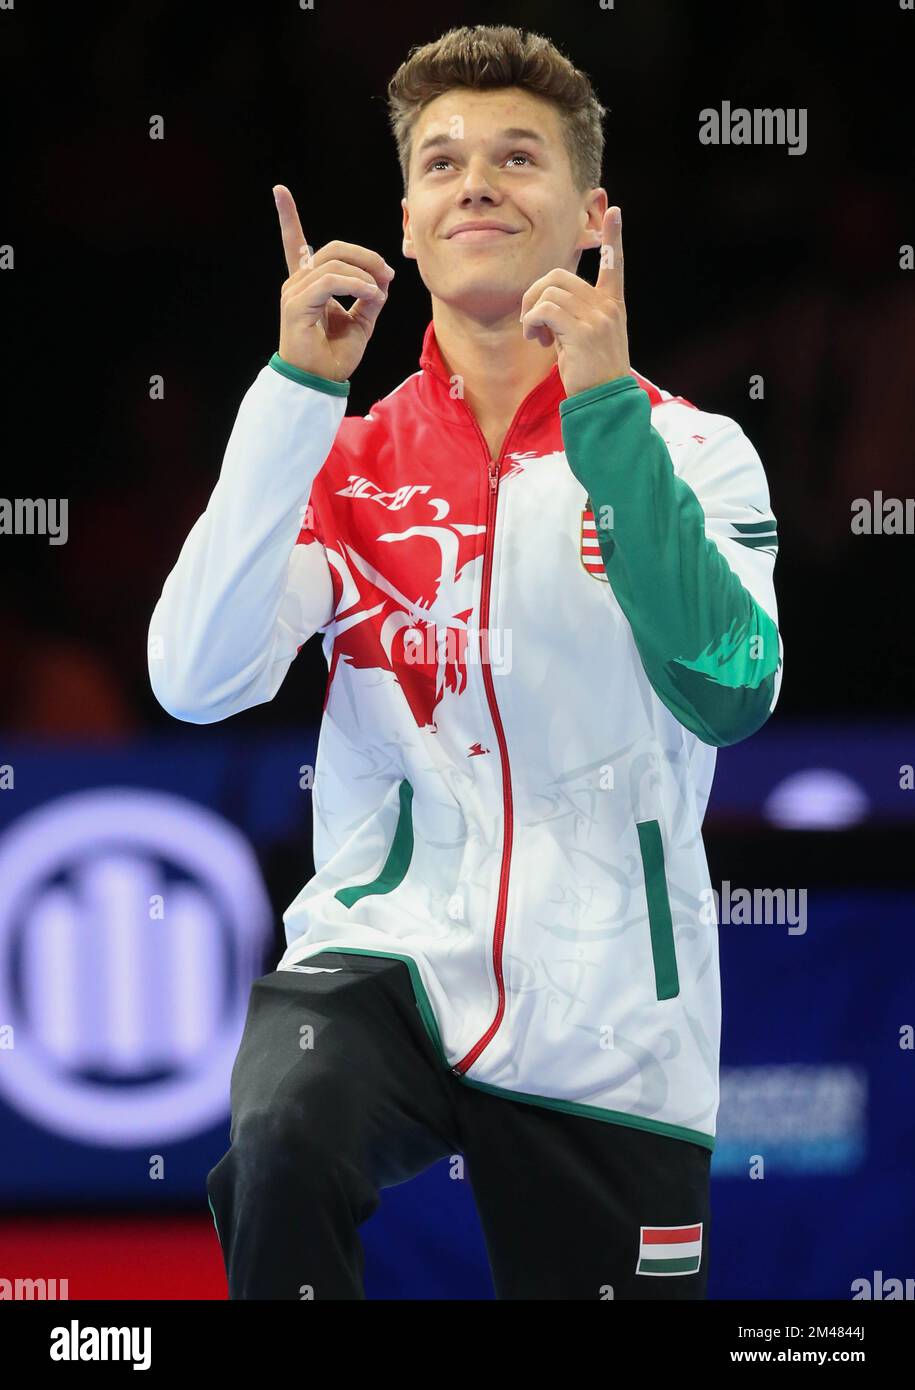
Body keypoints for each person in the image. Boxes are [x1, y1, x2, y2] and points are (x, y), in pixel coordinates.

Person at [148, 24, 783, 1299]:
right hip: (380, 960)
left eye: (517, 157)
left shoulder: (695, 448)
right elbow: (192, 679)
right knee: (284, 1133)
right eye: (441, 163)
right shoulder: (345, 461)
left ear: (592, 212)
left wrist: (606, 417)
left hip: (614, 1013)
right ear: (406, 216)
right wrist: (290, 396)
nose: (475, 181)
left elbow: (731, 688)